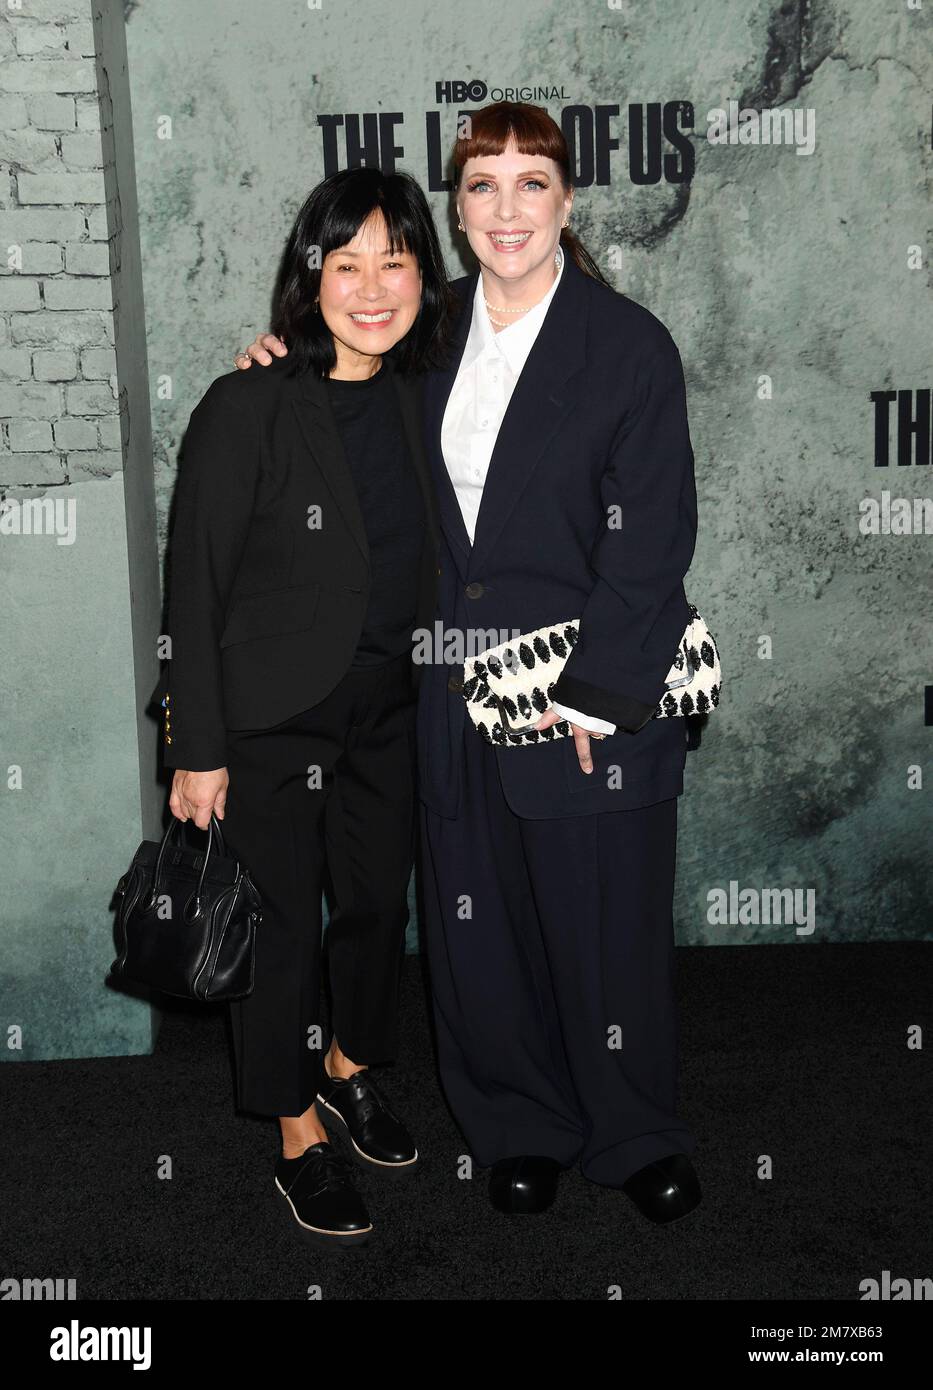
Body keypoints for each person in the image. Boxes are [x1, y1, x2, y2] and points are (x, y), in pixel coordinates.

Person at [238, 101, 702, 1224]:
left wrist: (600, 696)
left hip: (586, 689)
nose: (506, 209)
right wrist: (274, 364)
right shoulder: (427, 327)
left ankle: (634, 1132)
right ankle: (518, 1124)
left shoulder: (626, 344)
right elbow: (339, 389)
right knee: (477, 927)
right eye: (482, 185)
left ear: (566, 201)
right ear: (457, 208)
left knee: (606, 930)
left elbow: (653, 537)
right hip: (448, 685)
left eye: (530, 183)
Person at [157, 167, 453, 1247]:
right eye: (347, 263)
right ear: (310, 277)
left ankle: (346, 1064)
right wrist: (198, 745)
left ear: (424, 275)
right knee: (279, 934)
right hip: (272, 722)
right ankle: (294, 1132)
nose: (372, 287)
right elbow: (193, 586)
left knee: (377, 909)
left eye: (395, 261)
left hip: (393, 706)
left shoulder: (430, 388)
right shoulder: (248, 403)